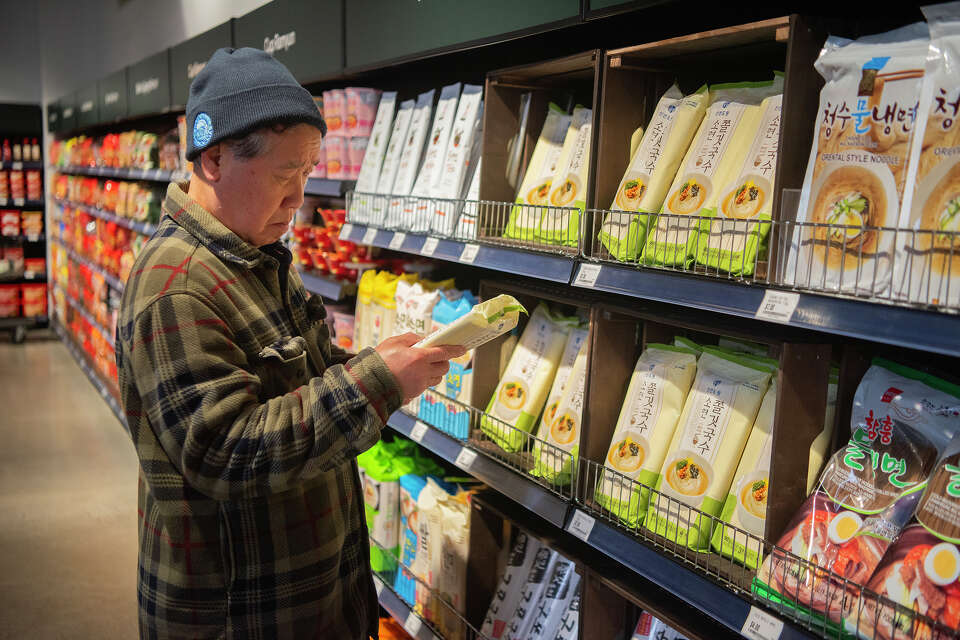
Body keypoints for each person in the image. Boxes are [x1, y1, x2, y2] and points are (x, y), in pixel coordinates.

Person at [115, 47, 464, 639]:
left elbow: (303, 384)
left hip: (306, 600)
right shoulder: (175, 288)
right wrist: (376, 383)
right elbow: (226, 450)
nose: (299, 197)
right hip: (240, 615)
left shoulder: (254, 255)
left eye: (307, 172)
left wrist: (384, 364)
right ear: (215, 158)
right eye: (284, 175)